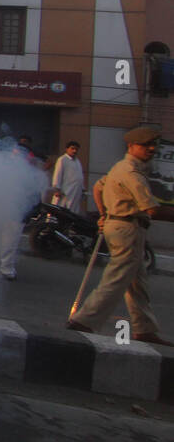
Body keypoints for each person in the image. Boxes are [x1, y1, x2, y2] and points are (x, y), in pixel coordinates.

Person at [68, 126, 171, 346]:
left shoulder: (122, 168)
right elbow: (152, 209)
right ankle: (84, 320)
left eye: (153, 145)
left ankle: (144, 329)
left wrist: (105, 214)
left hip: (124, 225)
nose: (151, 149)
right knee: (117, 278)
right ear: (131, 146)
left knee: (137, 283)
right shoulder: (131, 173)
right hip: (128, 228)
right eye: (145, 145)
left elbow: (97, 187)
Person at [0, 137, 41, 280]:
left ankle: (6, 268)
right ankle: (5, 268)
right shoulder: (8, 167)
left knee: (9, 241)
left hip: (15, 212)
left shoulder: (26, 171)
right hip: (4, 209)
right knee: (7, 241)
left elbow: (34, 193)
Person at [50, 140, 85, 214]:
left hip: (75, 191)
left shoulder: (77, 161)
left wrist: (82, 189)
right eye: (72, 148)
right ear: (67, 149)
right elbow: (57, 174)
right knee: (60, 210)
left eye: (76, 149)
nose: (74, 151)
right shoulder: (62, 159)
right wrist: (56, 189)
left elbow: (80, 176)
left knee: (73, 211)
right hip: (65, 191)